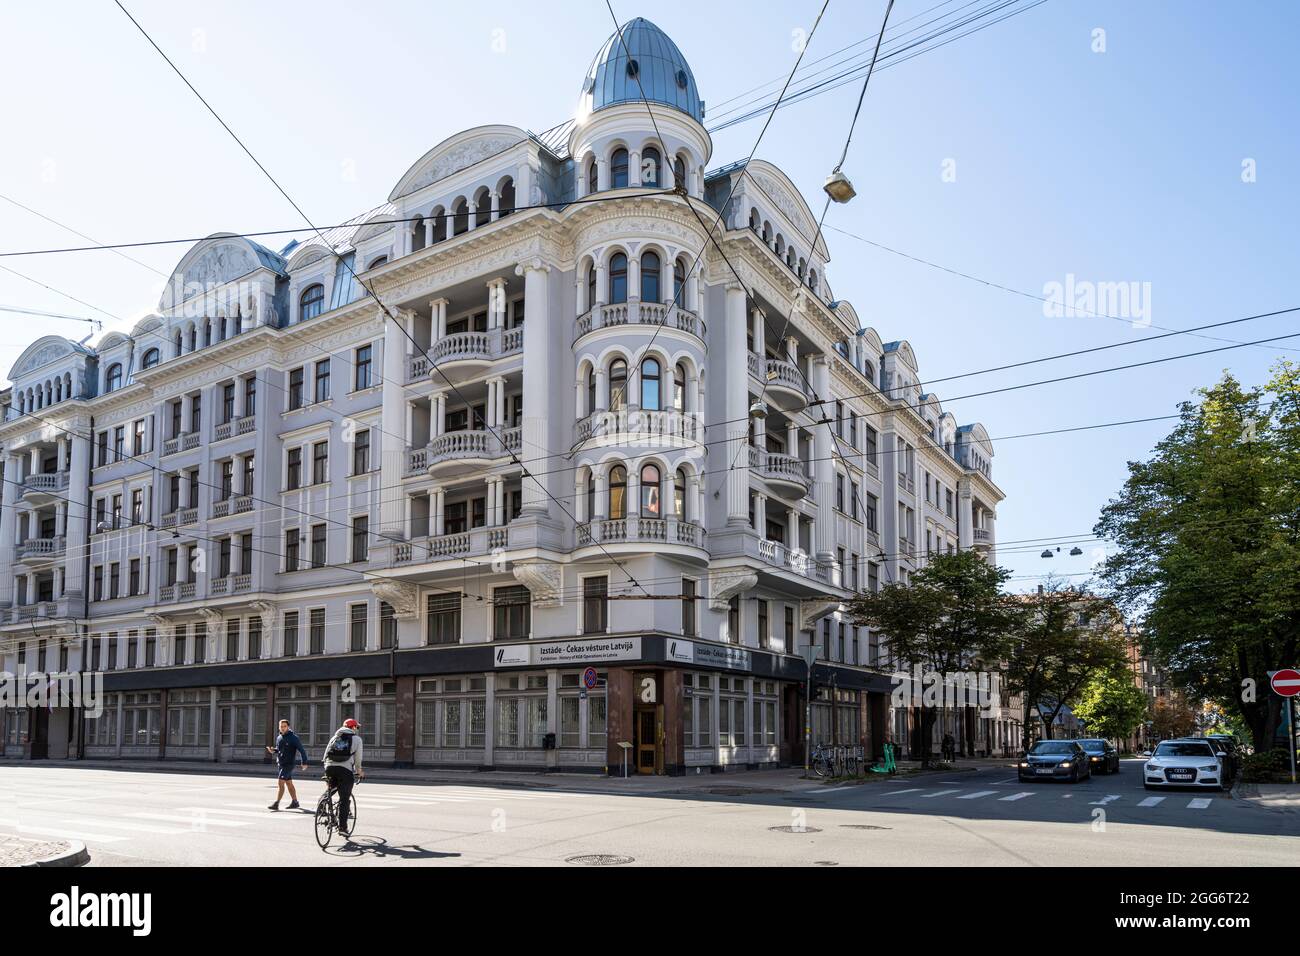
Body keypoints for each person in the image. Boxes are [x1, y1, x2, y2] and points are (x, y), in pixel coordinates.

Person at [321, 718, 364, 837]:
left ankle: (323, 804)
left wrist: (327, 770)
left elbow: (325, 755)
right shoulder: (357, 739)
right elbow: (358, 758)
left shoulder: (334, 737)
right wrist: (359, 771)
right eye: (357, 727)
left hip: (329, 767)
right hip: (345, 770)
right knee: (344, 799)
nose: (357, 729)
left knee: (331, 789)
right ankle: (342, 827)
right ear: (353, 727)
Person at [266, 718, 308, 810]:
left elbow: (302, 750)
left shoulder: (294, 738)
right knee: (289, 783)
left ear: (288, 727)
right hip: (281, 763)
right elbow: (279, 749)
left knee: (281, 783)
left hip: (288, 764)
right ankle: (295, 802)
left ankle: (276, 803)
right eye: (281, 726)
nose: (283, 728)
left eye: (284, 726)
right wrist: (273, 751)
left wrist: (304, 762)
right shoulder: (279, 737)